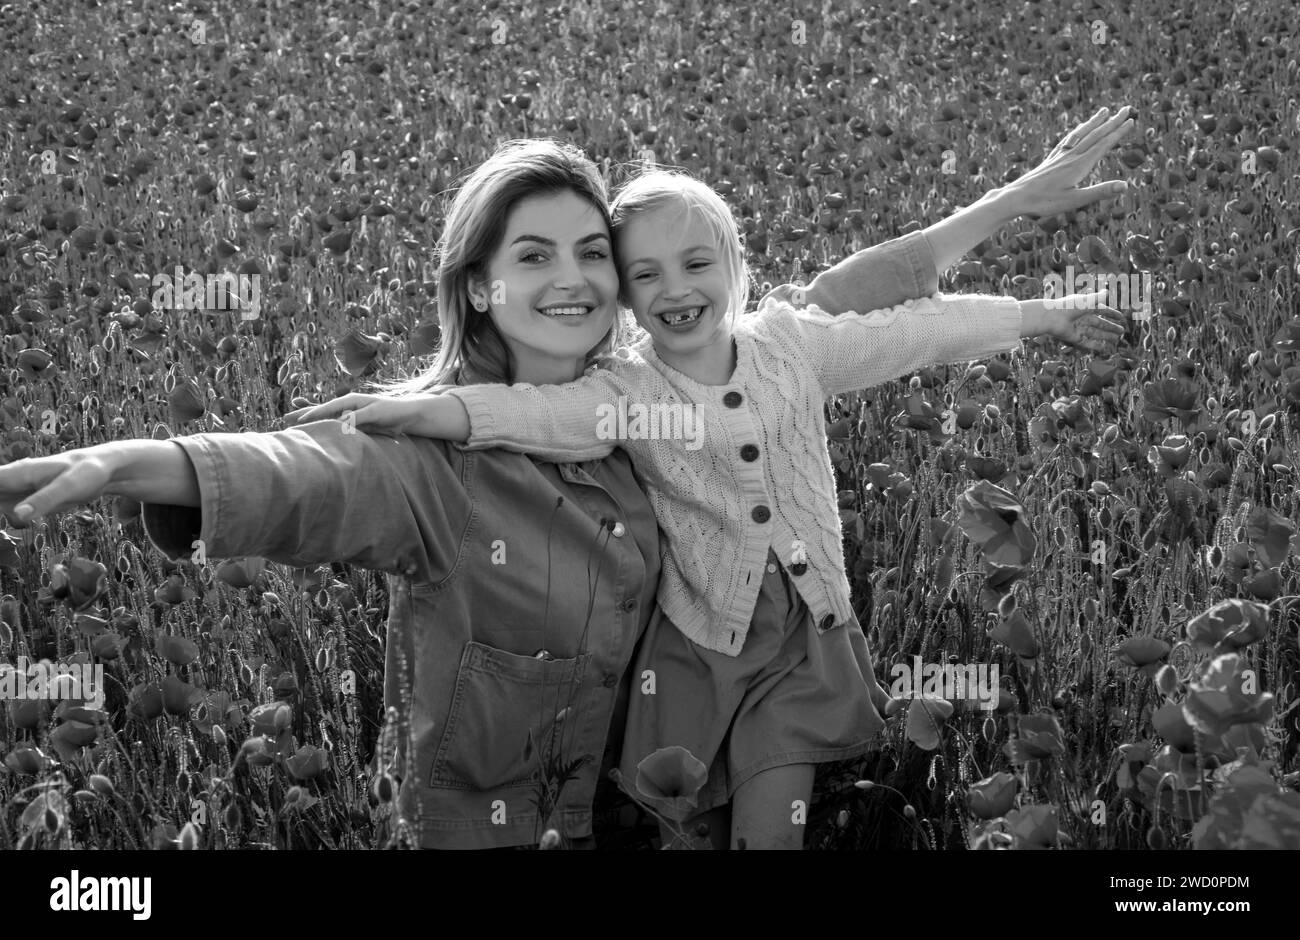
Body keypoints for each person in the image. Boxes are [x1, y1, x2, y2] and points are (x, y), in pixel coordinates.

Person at [0, 140, 958, 848]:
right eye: (532, 257)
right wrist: (138, 461)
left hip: (626, 810)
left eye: (592, 254)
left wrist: (1012, 209)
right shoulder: (433, 451)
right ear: (480, 286)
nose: (573, 279)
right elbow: (312, 473)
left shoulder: (638, 419)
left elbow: (815, 313)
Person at [285, 108, 1136, 848]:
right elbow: (539, 417)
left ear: (736, 265)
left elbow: (922, 329)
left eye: (697, 264)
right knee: (688, 828)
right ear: (622, 296)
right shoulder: (626, 389)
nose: (675, 289)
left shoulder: (795, 345)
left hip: (802, 641)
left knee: (774, 826)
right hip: (695, 650)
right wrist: (424, 412)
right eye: (645, 274)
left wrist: (1046, 317)